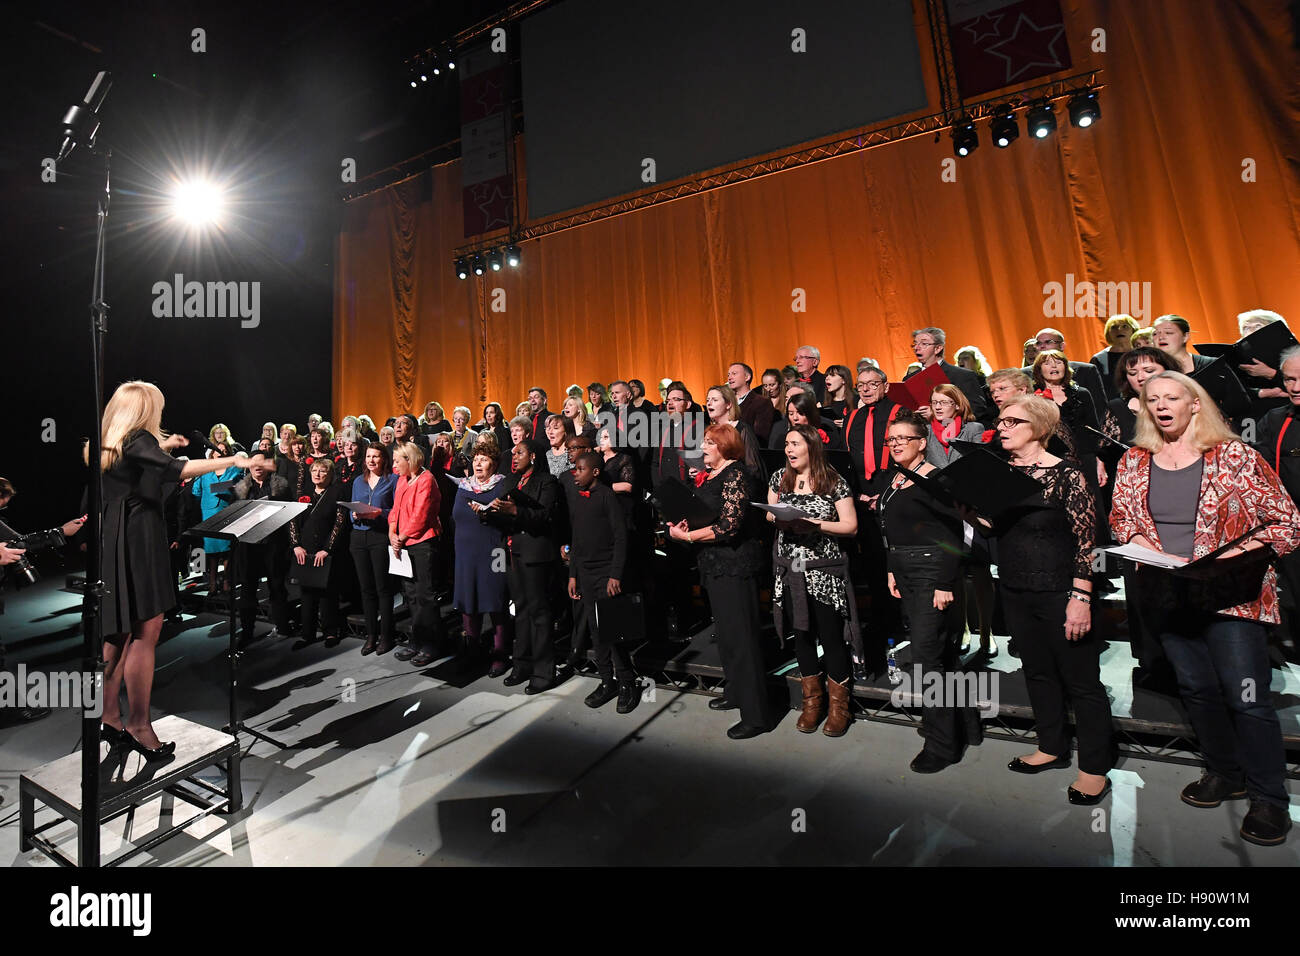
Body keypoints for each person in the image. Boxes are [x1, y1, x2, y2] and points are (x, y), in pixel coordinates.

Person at [1111, 371, 1300, 846]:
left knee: (1247, 697)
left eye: (1172, 397)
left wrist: (1234, 555)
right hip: (1168, 593)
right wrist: (1138, 542)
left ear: (1195, 404)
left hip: (1232, 595)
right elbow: (1121, 518)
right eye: (1153, 399)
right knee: (1197, 689)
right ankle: (1225, 771)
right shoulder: (1134, 460)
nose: (1161, 405)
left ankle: (1269, 798)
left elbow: (1285, 522)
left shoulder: (1235, 455)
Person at [93, 381, 260, 758]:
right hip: (139, 538)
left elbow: (151, 469)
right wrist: (232, 461)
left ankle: (108, 718)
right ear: (144, 410)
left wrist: (165, 448)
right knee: (145, 631)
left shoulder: (112, 442)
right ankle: (138, 724)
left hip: (116, 538)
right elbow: (177, 469)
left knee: (117, 633)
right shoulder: (138, 438)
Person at [965, 395, 1112, 805]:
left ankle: (1094, 768)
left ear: (1041, 428)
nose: (1002, 427)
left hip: (1061, 590)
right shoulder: (1002, 473)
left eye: (1013, 421)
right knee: (1037, 672)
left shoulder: (1067, 474)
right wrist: (966, 512)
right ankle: (1051, 746)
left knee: (1082, 681)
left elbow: (1088, 541)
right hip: (1015, 587)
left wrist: (1081, 596)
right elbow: (994, 528)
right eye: (1001, 421)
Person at [878, 410, 980, 771]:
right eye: (891, 440)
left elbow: (954, 534)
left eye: (903, 439)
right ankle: (964, 726)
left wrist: (943, 583)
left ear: (922, 443)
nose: (895, 445)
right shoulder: (895, 478)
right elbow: (891, 528)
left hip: (931, 571)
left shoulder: (936, 479)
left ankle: (941, 745)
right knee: (941, 654)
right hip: (905, 569)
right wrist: (892, 568)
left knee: (926, 659)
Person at [668, 426, 772, 737]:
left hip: (735, 565)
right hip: (714, 565)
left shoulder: (736, 474)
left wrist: (688, 536)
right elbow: (709, 515)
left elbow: (729, 526)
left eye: (709, 443)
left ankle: (757, 715)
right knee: (727, 638)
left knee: (742, 640)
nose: (703, 448)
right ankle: (736, 692)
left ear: (725, 446)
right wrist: (686, 523)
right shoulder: (712, 475)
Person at [767, 425, 859, 737]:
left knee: (831, 638)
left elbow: (850, 526)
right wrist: (780, 517)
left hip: (822, 573)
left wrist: (814, 524)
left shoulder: (833, 481)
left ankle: (839, 708)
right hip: (790, 572)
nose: (789, 450)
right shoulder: (780, 477)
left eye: (795, 444)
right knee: (802, 637)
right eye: (786, 444)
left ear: (811, 447)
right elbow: (768, 514)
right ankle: (812, 704)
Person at [486, 441, 563, 693]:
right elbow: (503, 514)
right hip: (511, 552)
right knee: (520, 610)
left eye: (519, 453)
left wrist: (515, 510)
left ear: (533, 455)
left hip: (535, 553)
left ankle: (543, 672)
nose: (514, 457)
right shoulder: (510, 481)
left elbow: (544, 517)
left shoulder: (547, 481)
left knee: (539, 612)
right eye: (513, 453)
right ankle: (521, 665)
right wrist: (487, 513)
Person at [567, 451, 640, 712]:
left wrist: (615, 575)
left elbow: (621, 537)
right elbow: (576, 539)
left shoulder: (608, 497)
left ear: (595, 472)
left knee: (613, 630)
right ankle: (607, 681)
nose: (576, 474)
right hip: (585, 574)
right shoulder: (578, 497)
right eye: (575, 469)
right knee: (596, 632)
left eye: (581, 469)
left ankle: (627, 682)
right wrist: (573, 574)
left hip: (606, 573)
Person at [452, 441, 511, 675]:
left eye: (484, 459)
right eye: (476, 459)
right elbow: (456, 516)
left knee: (496, 602)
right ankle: (472, 650)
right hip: (465, 552)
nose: (478, 463)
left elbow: (510, 519)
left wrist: (489, 514)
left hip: (495, 552)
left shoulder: (503, 485)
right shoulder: (463, 486)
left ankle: (500, 653)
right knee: (469, 601)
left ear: (494, 464)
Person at [389, 441, 446, 667]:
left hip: (422, 543)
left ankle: (432, 645)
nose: (394, 465)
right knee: (410, 594)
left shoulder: (426, 479)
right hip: (403, 542)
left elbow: (421, 515)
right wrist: (392, 532)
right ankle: (417, 640)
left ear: (409, 460)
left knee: (425, 595)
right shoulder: (402, 480)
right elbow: (395, 510)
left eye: (397, 461)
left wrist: (401, 537)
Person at [232, 454, 294, 647]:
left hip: (274, 544)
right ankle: (247, 631)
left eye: (261, 463)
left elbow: (290, 514)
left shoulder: (280, 487)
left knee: (277, 586)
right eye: (254, 463)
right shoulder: (240, 488)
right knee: (247, 589)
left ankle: (282, 627)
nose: (257, 467)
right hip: (249, 546)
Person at [289, 457, 347, 648]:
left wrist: (327, 549)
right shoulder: (304, 493)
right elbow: (293, 520)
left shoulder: (337, 492)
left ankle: (330, 632)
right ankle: (307, 634)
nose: (317, 474)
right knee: (307, 593)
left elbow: (339, 523)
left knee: (327, 593)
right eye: (314, 470)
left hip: (326, 549)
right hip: (304, 549)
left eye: (322, 471)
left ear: (330, 475)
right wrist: (296, 545)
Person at [350, 443, 397, 655]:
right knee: (366, 588)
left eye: (376, 456)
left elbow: (395, 511)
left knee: (383, 588)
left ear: (384, 459)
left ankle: (386, 636)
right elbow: (352, 506)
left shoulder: (392, 480)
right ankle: (371, 635)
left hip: (380, 536)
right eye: (369, 456)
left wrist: (378, 512)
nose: (371, 460)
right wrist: (354, 515)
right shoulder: (358, 481)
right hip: (358, 537)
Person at [1032, 349, 1101, 486]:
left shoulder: (1082, 393)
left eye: (1058, 362)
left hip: (1085, 458)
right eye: (1047, 363)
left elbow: (1094, 430)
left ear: (1065, 367)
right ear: (1039, 370)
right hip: (1052, 458)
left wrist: (1100, 462)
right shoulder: (1033, 397)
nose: (1054, 366)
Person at [906, 326, 994, 423]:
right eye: (915, 344)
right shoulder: (909, 379)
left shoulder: (963, 376)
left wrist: (940, 416)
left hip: (952, 430)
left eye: (924, 344)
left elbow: (976, 409)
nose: (916, 348)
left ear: (938, 348)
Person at [190, 439, 241, 595]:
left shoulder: (234, 469)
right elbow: (196, 491)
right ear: (212, 454)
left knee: (226, 549)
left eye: (224, 451)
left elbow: (238, 485)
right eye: (218, 451)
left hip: (226, 510)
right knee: (211, 551)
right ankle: (212, 583)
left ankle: (226, 581)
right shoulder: (205, 471)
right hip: (208, 513)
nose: (221, 453)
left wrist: (218, 487)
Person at [1028, 327, 1108, 415]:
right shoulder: (1025, 374)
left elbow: (1100, 407)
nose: (1042, 346)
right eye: (1038, 343)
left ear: (1062, 346)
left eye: (1048, 342)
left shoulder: (1086, 370)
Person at [705, 384, 764, 476]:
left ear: (728, 404)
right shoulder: (710, 431)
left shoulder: (742, 429)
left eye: (715, 400)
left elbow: (753, 467)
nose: (709, 403)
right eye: (707, 400)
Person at [922, 384, 983, 467]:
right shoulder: (925, 431)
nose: (937, 407)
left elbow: (980, 461)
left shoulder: (974, 429)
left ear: (957, 405)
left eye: (944, 402)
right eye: (934, 403)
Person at [1091, 315, 1141, 402]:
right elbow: (1094, 388)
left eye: (1125, 326)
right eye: (1114, 327)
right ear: (1108, 333)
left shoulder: (1143, 355)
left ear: (1134, 330)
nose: (1119, 330)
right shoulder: (1099, 359)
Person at [729, 362, 777, 445]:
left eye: (734, 373)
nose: (730, 378)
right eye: (728, 375)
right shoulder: (727, 402)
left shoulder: (761, 402)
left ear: (747, 377)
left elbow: (760, 436)